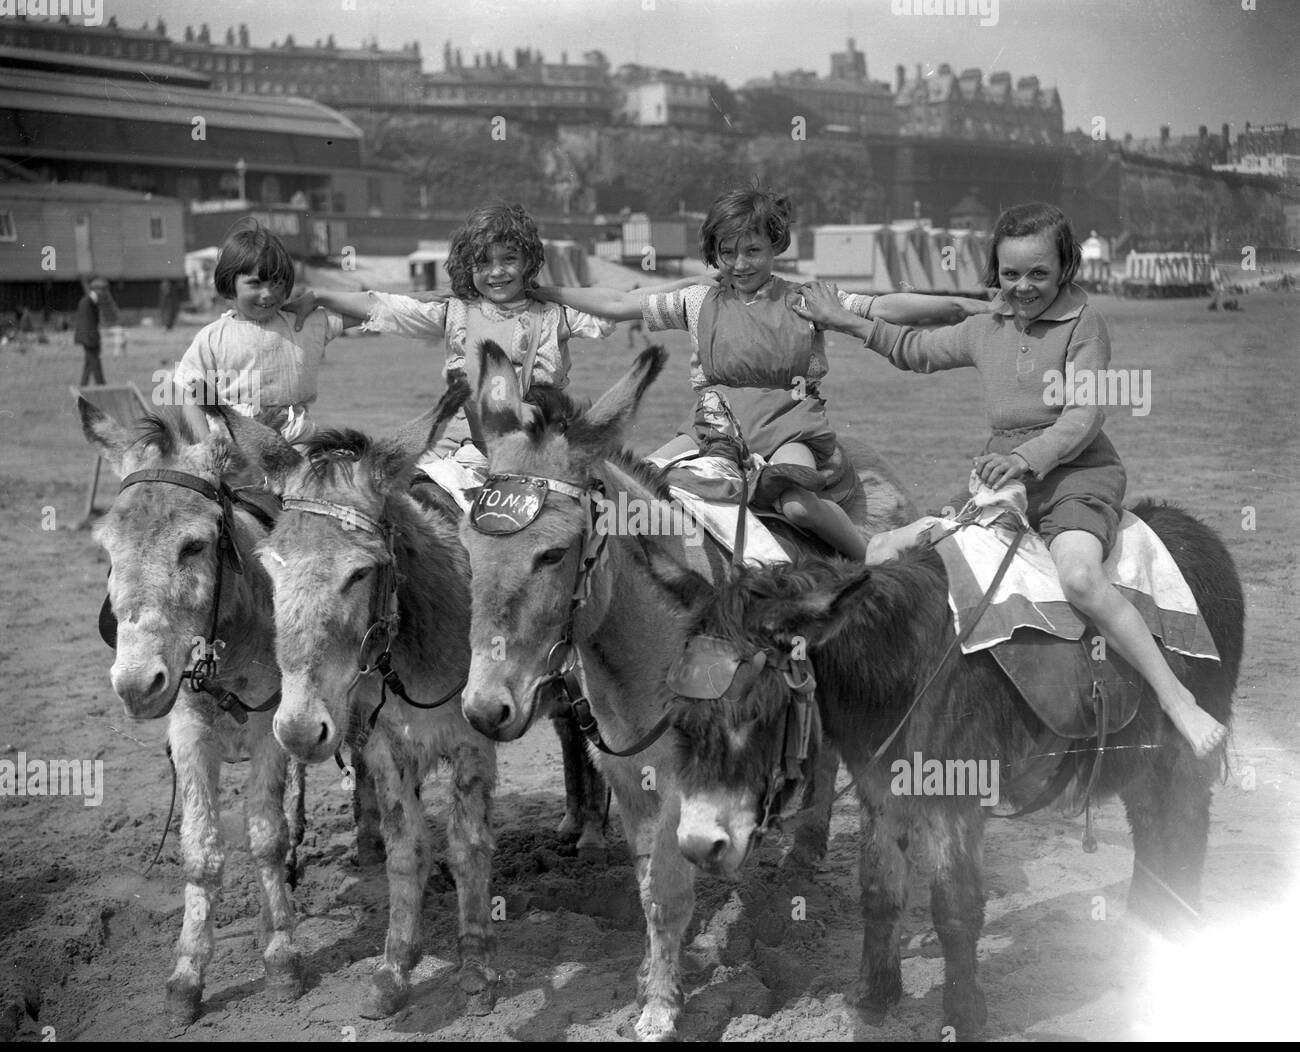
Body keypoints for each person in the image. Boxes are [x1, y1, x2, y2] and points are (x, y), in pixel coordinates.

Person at [795, 200, 1227, 761]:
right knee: (885, 549)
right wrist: (846, 321)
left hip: (1076, 475)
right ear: (994, 273)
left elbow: (1083, 415)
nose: (1024, 287)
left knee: (1077, 578)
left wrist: (1025, 458)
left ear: (1066, 267)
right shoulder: (986, 327)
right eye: (1011, 273)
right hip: (1002, 478)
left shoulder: (1083, 325)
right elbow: (912, 350)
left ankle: (1177, 700)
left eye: (1039, 273)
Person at [534, 186, 988, 559]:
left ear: (775, 246)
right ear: (714, 252)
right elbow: (617, 304)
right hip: (710, 426)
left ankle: (868, 555)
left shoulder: (806, 299)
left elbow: (884, 306)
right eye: (727, 252)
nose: (740, 263)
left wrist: (963, 305)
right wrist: (543, 289)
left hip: (789, 426)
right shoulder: (697, 300)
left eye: (753, 250)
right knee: (641, 485)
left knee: (796, 505)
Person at [287, 201, 692, 460]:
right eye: (483, 263)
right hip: (460, 444)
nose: (496, 272)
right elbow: (386, 307)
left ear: (530, 260)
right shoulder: (455, 313)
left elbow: (624, 304)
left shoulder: (554, 316)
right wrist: (322, 295)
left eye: (508, 259)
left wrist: (690, 290)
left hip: (535, 446)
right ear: (469, 268)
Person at [172, 219, 354, 443]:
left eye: (277, 283)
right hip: (235, 448)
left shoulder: (303, 323)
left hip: (297, 443)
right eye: (255, 283)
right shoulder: (212, 338)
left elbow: (368, 313)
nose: (268, 293)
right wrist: (205, 448)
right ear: (230, 284)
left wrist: (320, 296)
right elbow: (188, 391)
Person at [74, 277, 108, 386]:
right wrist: (92, 340)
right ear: (97, 290)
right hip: (89, 338)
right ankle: (102, 385)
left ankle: (83, 386)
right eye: (104, 290)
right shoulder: (87, 302)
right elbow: (86, 323)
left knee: (89, 364)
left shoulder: (92, 301)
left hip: (90, 337)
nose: (105, 293)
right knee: (95, 363)